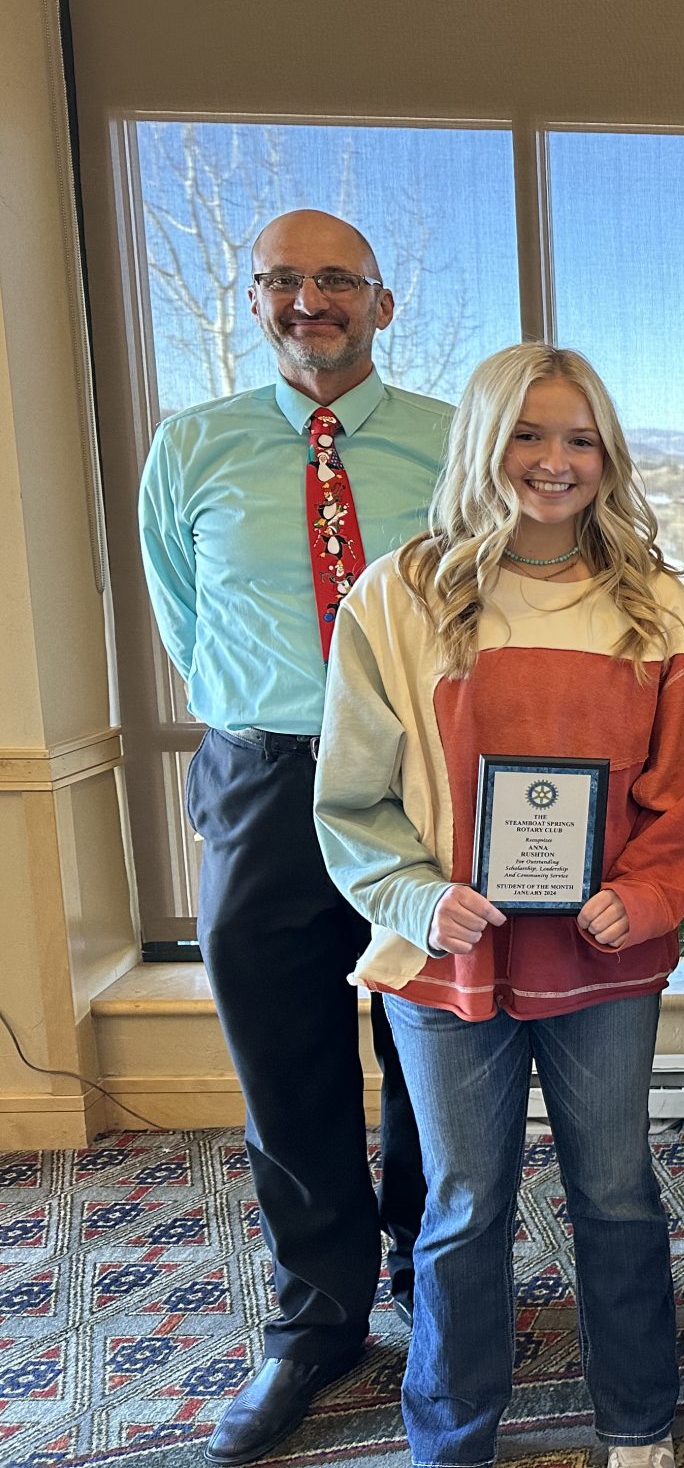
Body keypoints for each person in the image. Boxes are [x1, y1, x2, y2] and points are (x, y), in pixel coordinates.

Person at [312, 343, 684, 1468]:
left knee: (618, 1195)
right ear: (483, 446)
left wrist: (640, 895)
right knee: (462, 1208)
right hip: (446, 960)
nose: (554, 462)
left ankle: (637, 1425)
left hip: (602, 967)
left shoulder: (660, 611)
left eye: (579, 439)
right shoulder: (396, 597)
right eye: (528, 436)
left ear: (608, 456)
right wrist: (414, 892)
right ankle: (450, 1440)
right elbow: (348, 801)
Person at [137, 209, 435, 1466]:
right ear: (255, 301)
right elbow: (181, 609)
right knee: (285, 1058)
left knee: (435, 1045)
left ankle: (435, 1277)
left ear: (379, 302)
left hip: (422, 779)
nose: (308, 300)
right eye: (282, 281)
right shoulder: (192, 444)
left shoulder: (449, 441)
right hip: (264, 778)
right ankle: (318, 1315)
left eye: (335, 281)